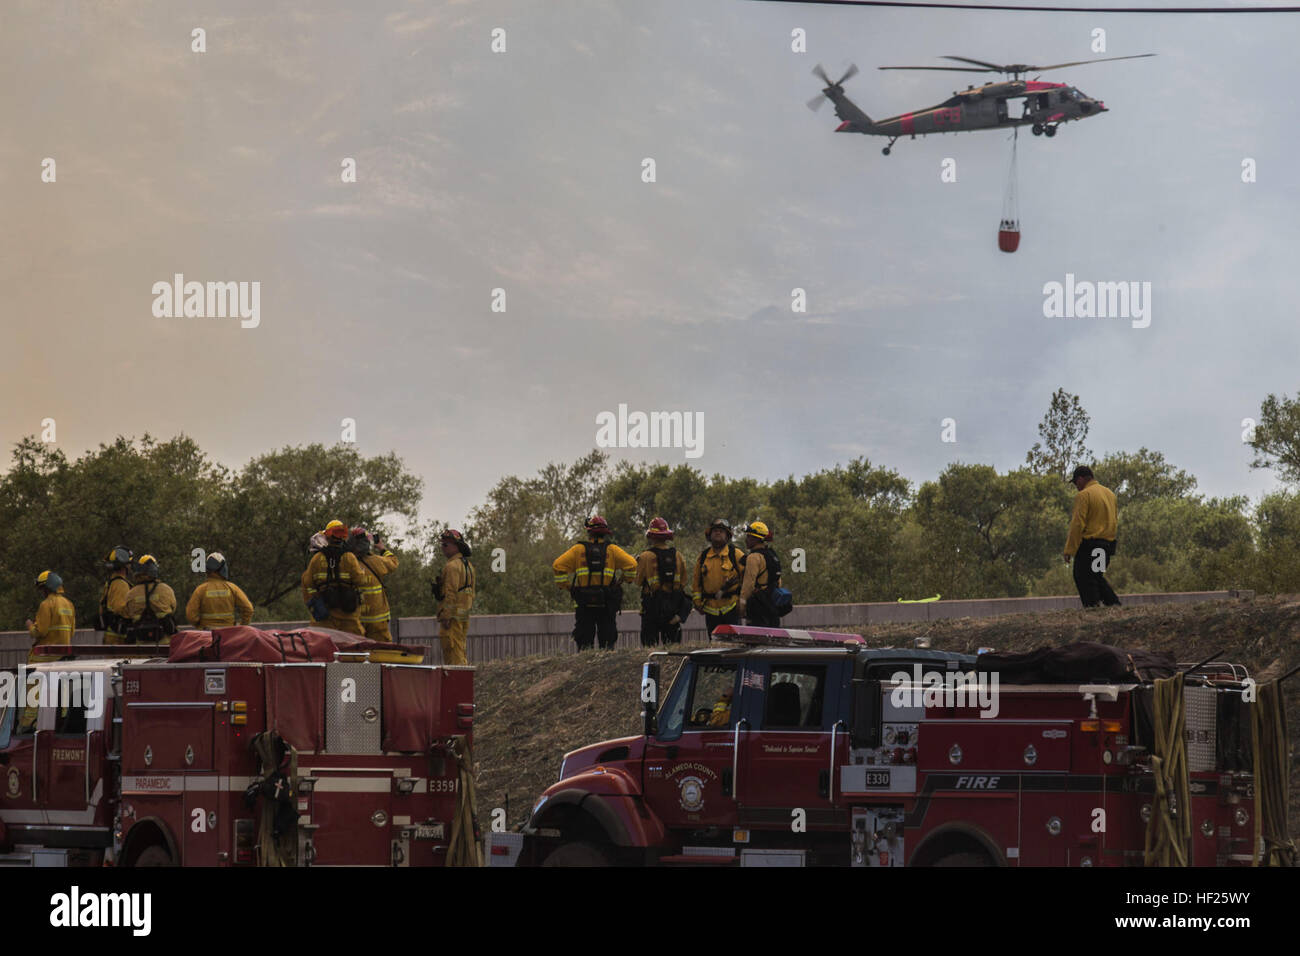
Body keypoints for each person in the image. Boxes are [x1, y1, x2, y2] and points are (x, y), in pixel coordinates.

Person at [553, 516, 637, 651]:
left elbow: (558, 566)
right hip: (607, 603)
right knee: (607, 643)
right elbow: (632, 564)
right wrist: (624, 580)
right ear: (605, 533)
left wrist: (569, 587)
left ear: (589, 532)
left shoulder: (578, 550)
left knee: (584, 643)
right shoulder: (613, 550)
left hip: (584, 604)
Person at [1064, 465, 1120, 608]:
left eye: (1076, 483)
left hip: (1091, 546)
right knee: (1096, 576)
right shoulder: (1110, 494)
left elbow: (1077, 525)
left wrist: (1070, 550)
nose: (1076, 486)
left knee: (1083, 576)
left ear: (1081, 479)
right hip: (1106, 546)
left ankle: (1092, 607)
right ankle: (1113, 604)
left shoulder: (1084, 495)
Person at [301, 519, 364, 635]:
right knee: (354, 648)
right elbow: (360, 580)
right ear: (343, 537)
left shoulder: (317, 558)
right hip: (348, 615)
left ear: (327, 537)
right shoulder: (349, 557)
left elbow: (307, 582)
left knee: (323, 648)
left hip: (325, 615)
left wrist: (314, 602)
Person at [634, 518, 690, 647]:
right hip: (672, 608)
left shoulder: (645, 557)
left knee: (649, 648)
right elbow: (683, 582)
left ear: (651, 536)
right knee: (673, 649)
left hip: (651, 609)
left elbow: (637, 581)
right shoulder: (678, 556)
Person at [692, 518, 746, 639]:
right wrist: (697, 602)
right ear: (709, 535)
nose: (718, 533)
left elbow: (747, 579)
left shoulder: (736, 554)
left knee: (734, 644)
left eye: (721, 531)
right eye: (715, 530)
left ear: (727, 536)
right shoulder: (703, 556)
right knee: (715, 644)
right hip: (711, 609)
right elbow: (696, 582)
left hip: (731, 608)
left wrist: (742, 601)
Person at [434, 529, 476, 665]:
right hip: (463, 616)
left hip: (452, 618)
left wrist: (446, 615)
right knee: (460, 648)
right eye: (442, 544)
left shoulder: (452, 566)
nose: (442, 548)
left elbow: (451, 593)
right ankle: (461, 679)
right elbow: (472, 593)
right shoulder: (469, 566)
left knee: (453, 652)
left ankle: (457, 682)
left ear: (456, 546)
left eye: (445, 545)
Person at [351, 527, 399, 643]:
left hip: (356, 621)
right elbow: (394, 562)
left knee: (358, 654)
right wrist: (382, 548)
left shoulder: (349, 563)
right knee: (382, 652)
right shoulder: (377, 562)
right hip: (378, 622)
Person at [185, 552, 255, 629]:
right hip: (228, 634)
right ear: (223, 568)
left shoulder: (200, 590)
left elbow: (190, 615)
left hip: (206, 634)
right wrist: (242, 626)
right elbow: (249, 609)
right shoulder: (232, 588)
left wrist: (199, 625)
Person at [124, 555, 178, 643]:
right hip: (164, 645)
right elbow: (173, 608)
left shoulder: (131, 594)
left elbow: (127, 612)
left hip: (140, 647)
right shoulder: (166, 589)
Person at [739, 520, 783, 627]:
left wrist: (742, 604)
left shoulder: (754, 557)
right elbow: (779, 581)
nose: (746, 540)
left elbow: (748, 584)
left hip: (757, 606)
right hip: (772, 604)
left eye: (749, 537)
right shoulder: (772, 555)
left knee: (754, 640)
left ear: (756, 539)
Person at [27, 570, 76, 661]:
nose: (42, 592)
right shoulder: (69, 604)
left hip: (46, 656)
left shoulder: (46, 604)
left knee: (28, 672)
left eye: (42, 588)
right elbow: (71, 632)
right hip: (63, 655)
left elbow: (40, 632)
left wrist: (30, 626)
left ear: (47, 588)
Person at [97, 546, 133, 645]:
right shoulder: (121, 584)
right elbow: (120, 609)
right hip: (119, 638)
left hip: (112, 637)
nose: (130, 567)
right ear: (124, 565)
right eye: (129, 564)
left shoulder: (111, 582)